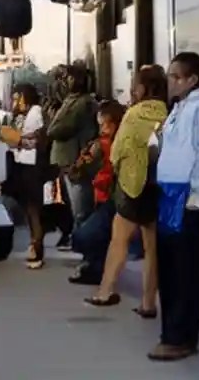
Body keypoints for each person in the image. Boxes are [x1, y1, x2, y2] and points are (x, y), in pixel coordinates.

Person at [149, 52, 199, 362]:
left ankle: (182, 335)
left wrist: (197, 198)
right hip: (167, 193)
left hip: (186, 197)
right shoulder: (177, 109)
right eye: (170, 75)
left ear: (193, 80)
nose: (171, 81)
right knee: (168, 266)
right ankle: (171, 330)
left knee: (185, 269)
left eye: (177, 76)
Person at [87, 64, 167, 317]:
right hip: (158, 185)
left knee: (118, 241)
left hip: (133, 186)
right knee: (152, 247)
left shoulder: (134, 114)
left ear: (142, 87)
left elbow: (118, 150)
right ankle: (148, 303)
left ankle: (105, 291)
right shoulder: (168, 112)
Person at [69, 100, 123, 285]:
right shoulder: (111, 142)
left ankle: (95, 269)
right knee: (100, 235)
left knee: (87, 233)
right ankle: (96, 269)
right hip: (105, 193)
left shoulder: (102, 144)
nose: (103, 127)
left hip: (106, 194)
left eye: (106, 123)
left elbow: (82, 166)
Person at [45, 64, 97, 249]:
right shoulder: (70, 100)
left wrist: (53, 117)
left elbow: (57, 129)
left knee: (80, 207)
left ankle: (83, 243)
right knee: (72, 204)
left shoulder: (81, 103)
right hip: (67, 160)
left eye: (67, 77)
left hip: (75, 160)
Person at [8, 84, 48, 268]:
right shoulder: (19, 115)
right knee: (28, 207)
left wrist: (17, 139)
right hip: (21, 163)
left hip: (33, 165)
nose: (16, 101)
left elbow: (37, 139)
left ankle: (37, 249)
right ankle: (33, 243)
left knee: (34, 208)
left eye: (19, 98)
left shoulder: (36, 112)